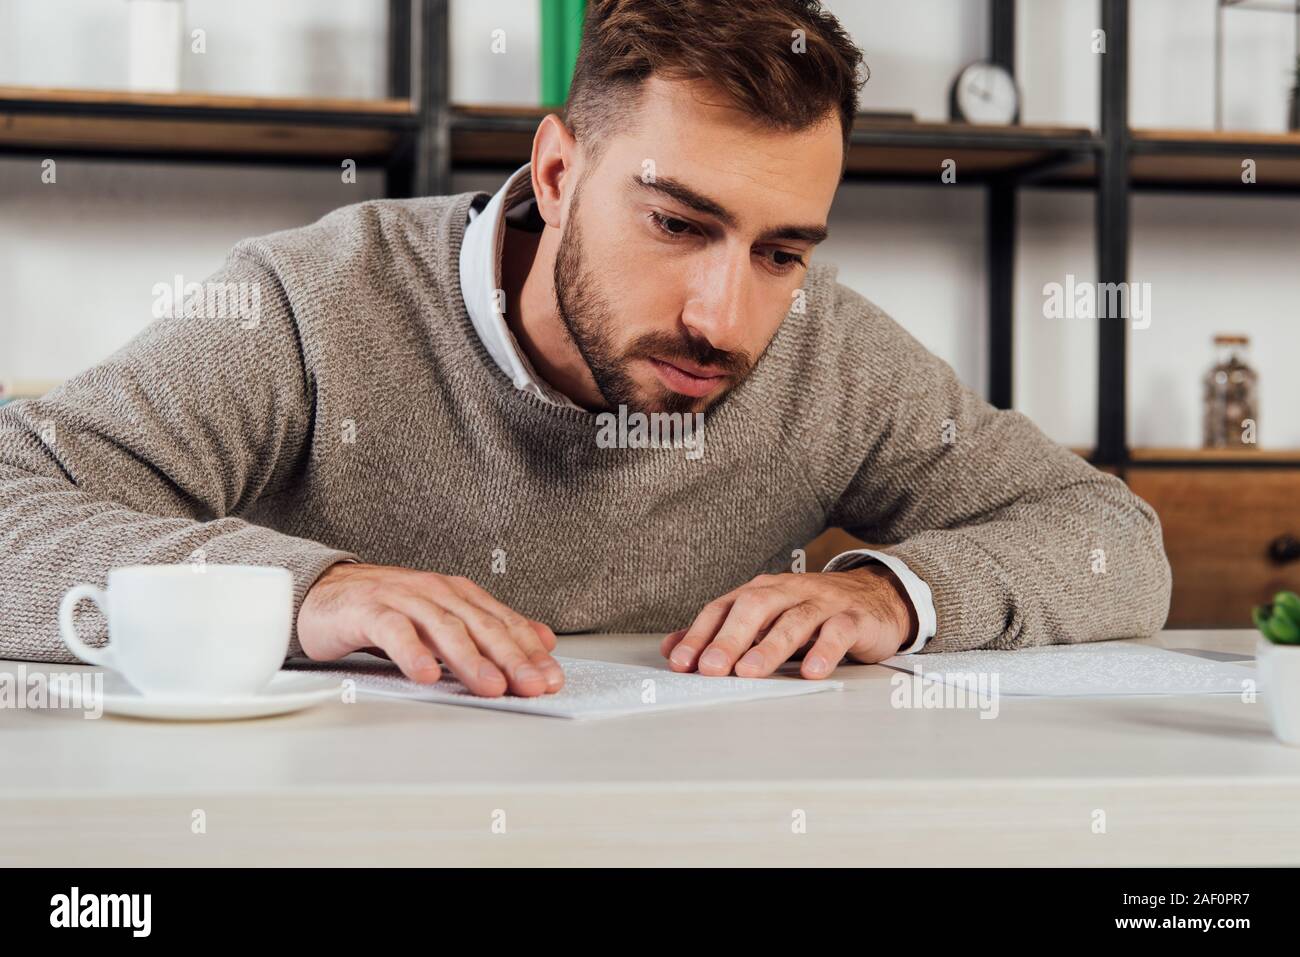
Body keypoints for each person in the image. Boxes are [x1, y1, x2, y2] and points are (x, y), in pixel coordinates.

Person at [0, 0, 1171, 698]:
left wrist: (897, 595)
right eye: (677, 224)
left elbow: (1112, 541)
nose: (724, 317)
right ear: (557, 173)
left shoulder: (828, 351)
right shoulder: (312, 304)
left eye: (781, 251)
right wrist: (310, 594)